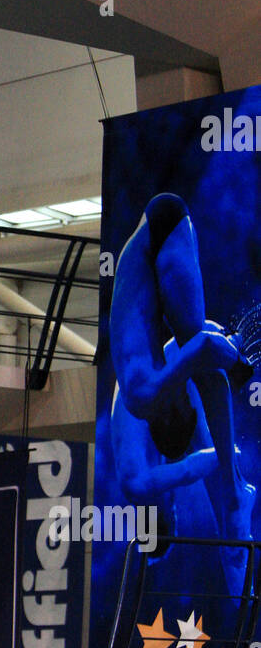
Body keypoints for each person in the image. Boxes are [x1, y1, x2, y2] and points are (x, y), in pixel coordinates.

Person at [109, 192, 255, 542]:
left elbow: (201, 344)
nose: (184, 396)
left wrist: (238, 360)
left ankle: (235, 493)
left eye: (184, 404)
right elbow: (194, 347)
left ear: (168, 414)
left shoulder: (144, 395)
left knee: (199, 349)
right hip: (153, 240)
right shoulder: (146, 394)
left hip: (160, 227)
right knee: (199, 356)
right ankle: (235, 491)